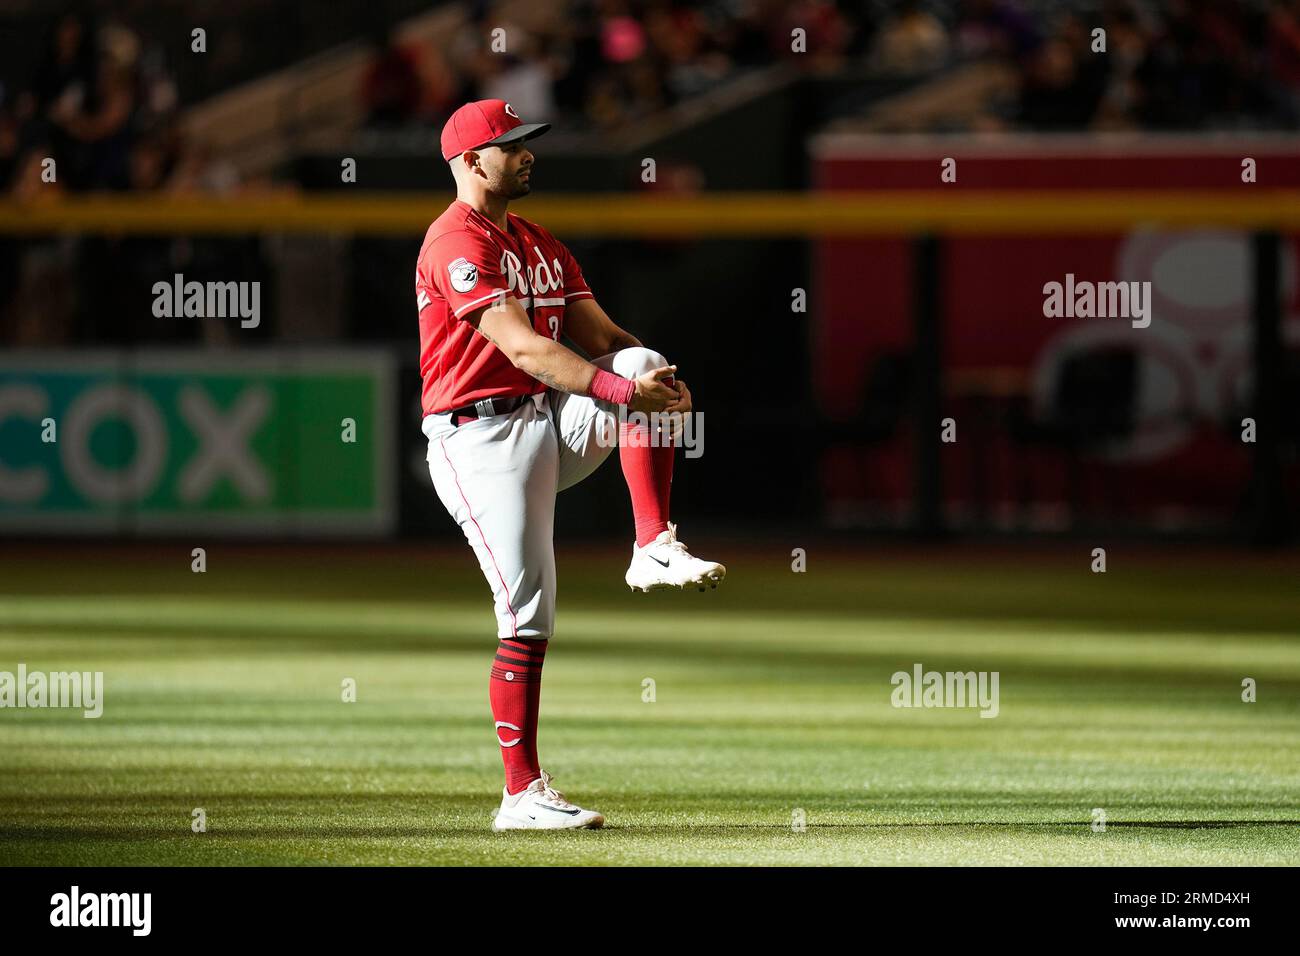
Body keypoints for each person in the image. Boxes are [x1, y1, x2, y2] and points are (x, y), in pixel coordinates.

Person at [415, 99, 726, 830]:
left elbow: (606, 338)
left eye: (528, 143)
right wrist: (623, 391)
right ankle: (520, 796)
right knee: (527, 618)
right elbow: (523, 350)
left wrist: (655, 381)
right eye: (511, 145)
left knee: (641, 360)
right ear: (470, 161)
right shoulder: (455, 242)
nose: (527, 154)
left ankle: (653, 545)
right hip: (478, 440)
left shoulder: (538, 240)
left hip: (544, 421)